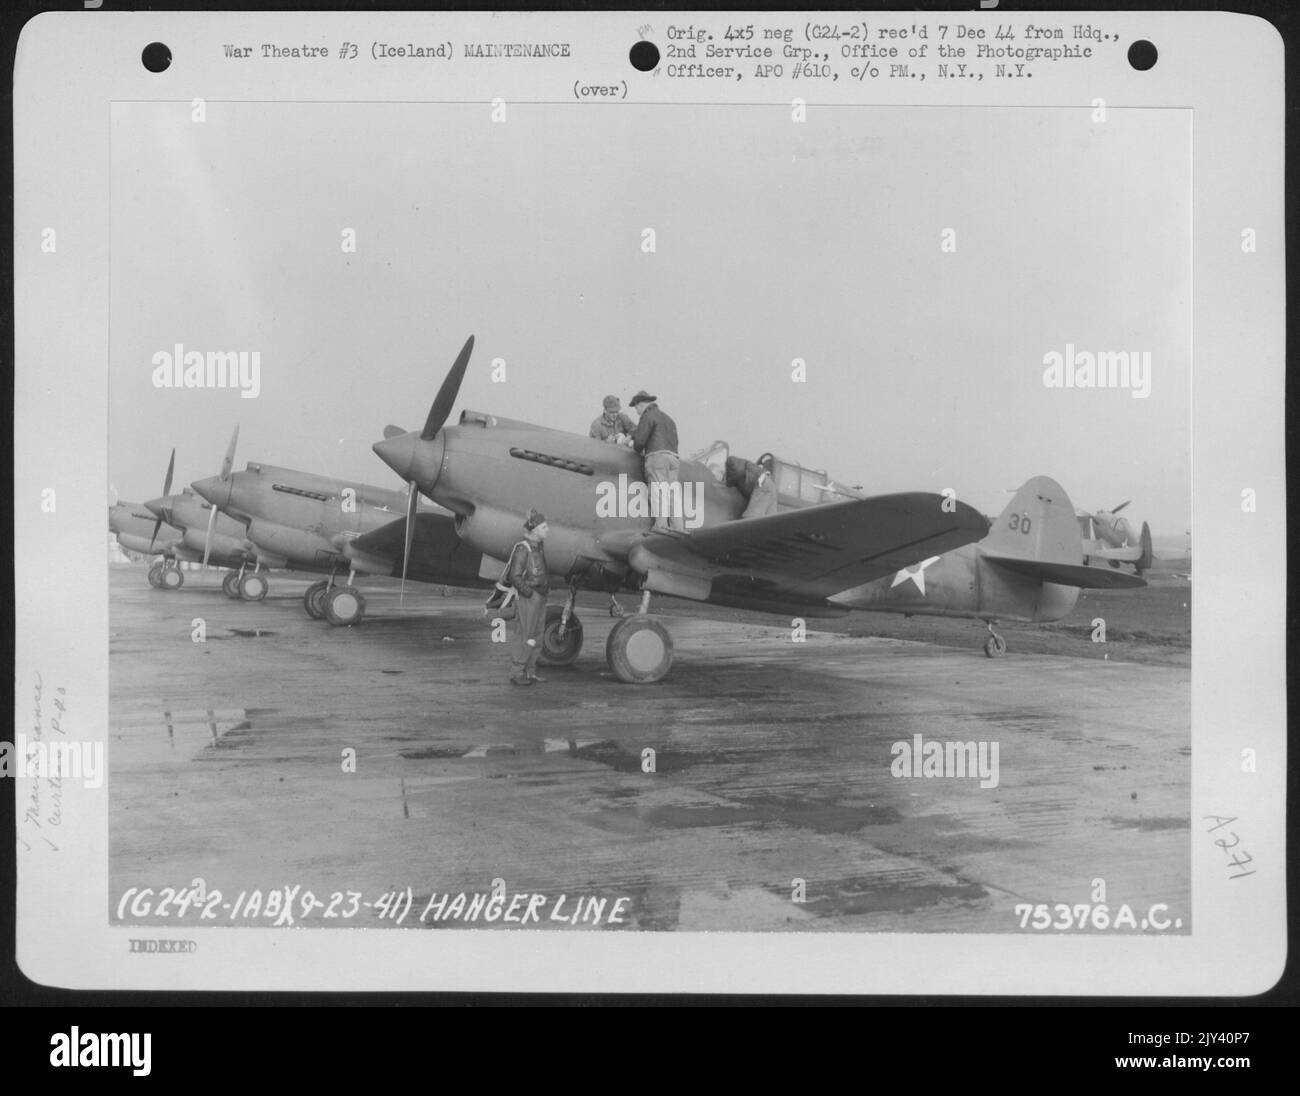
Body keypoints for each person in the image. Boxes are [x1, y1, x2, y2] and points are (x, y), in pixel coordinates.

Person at [506, 509, 550, 686]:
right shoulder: (522, 549)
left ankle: (530, 672)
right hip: (530, 598)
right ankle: (517, 673)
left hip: (540, 596)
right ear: (535, 529)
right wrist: (529, 593)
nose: (548, 530)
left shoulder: (538, 547)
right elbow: (514, 576)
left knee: (537, 636)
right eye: (544, 527)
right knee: (525, 635)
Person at [628, 390, 681, 532]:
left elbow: (639, 443)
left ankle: (661, 525)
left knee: (657, 490)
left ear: (641, 405)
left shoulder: (648, 415)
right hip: (674, 459)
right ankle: (678, 527)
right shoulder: (669, 419)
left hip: (657, 457)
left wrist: (633, 442)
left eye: (636, 409)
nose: (637, 412)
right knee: (672, 493)